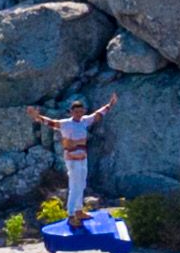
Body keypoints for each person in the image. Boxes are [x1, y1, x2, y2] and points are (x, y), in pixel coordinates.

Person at [27, 94, 118, 223]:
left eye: (81, 111)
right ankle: (70, 215)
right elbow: (51, 122)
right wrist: (37, 117)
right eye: (76, 112)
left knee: (81, 184)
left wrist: (110, 105)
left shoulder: (84, 121)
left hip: (83, 158)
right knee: (75, 186)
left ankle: (79, 211)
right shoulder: (66, 124)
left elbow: (98, 115)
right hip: (72, 159)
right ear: (71, 112)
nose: (78, 114)